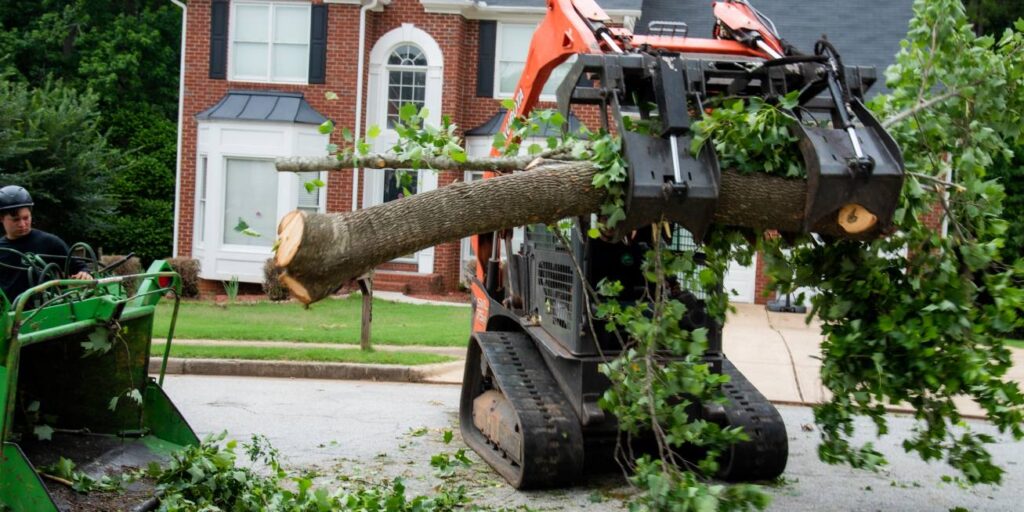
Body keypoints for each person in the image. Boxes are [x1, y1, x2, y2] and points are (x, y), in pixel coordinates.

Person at [0, 185, 92, 302]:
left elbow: (78, 267)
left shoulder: (49, 242)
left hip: (48, 311)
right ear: (1, 218)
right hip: (12, 316)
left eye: (26, 218)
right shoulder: (2, 249)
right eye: (16, 219)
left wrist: (84, 273)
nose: (22, 224)